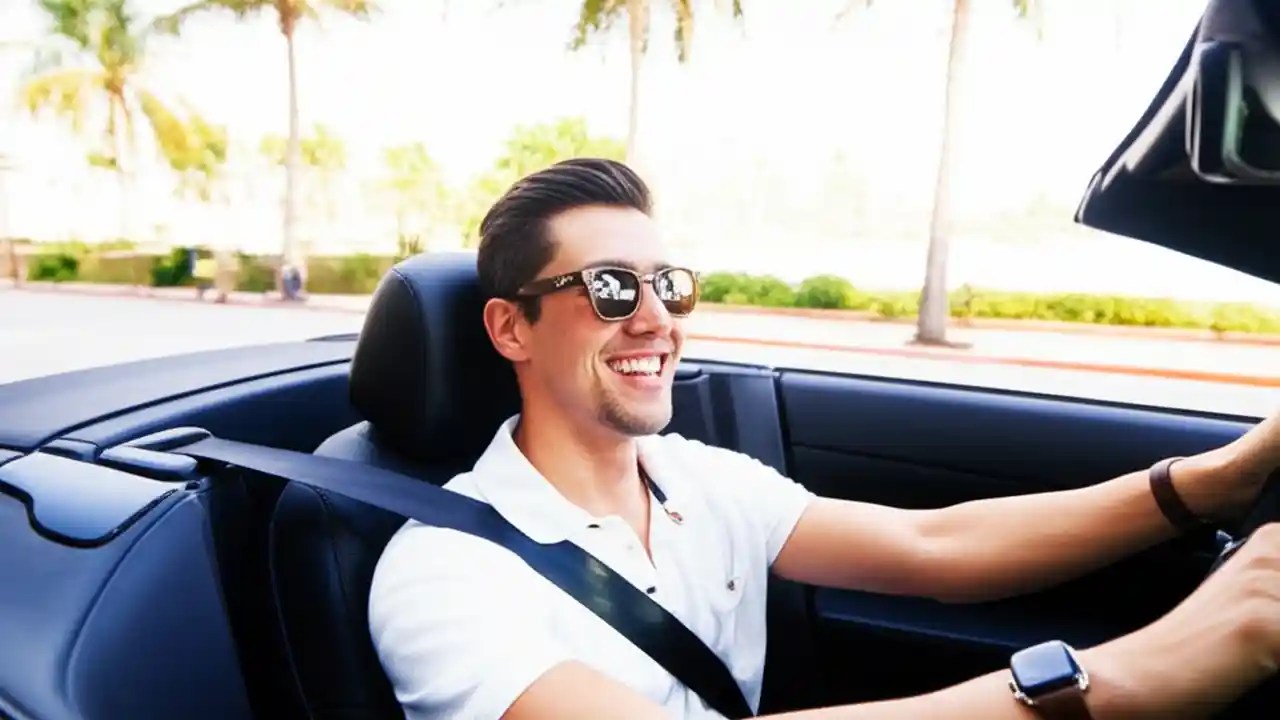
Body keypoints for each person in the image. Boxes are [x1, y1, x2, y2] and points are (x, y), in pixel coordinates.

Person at [368, 158, 1280, 720]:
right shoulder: (443, 570)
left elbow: (936, 545)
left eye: (669, 285)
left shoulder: (696, 481)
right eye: (610, 288)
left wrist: (1211, 483)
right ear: (512, 328)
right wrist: (1124, 676)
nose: (655, 319)